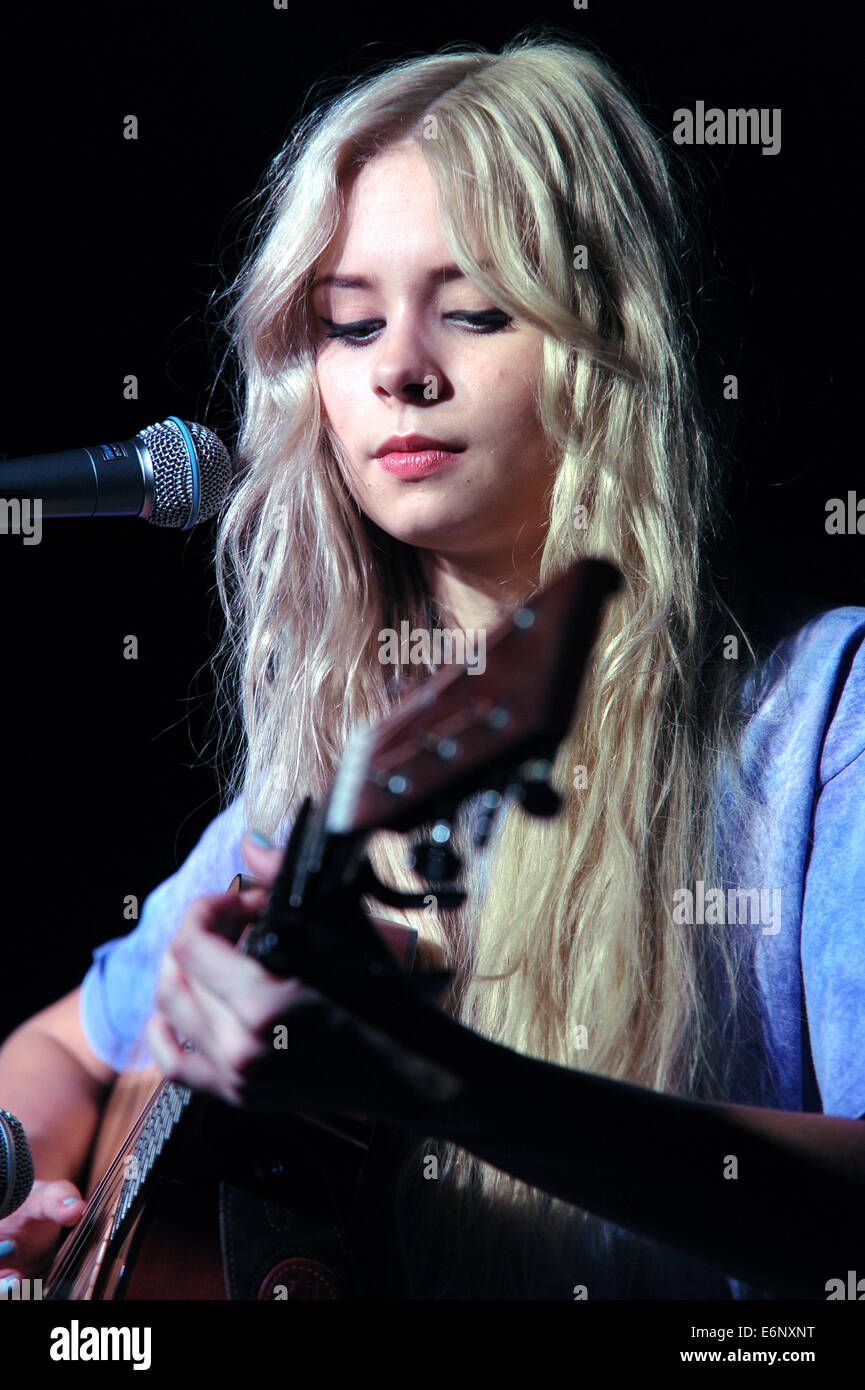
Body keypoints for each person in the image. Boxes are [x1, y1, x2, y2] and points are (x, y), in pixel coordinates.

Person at [1, 35, 863, 1301]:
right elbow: (60, 1044)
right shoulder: (327, 762)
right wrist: (27, 1171)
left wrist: (443, 1086)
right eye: (350, 321)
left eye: (471, 311)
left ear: (609, 343)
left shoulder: (819, 719)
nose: (400, 366)